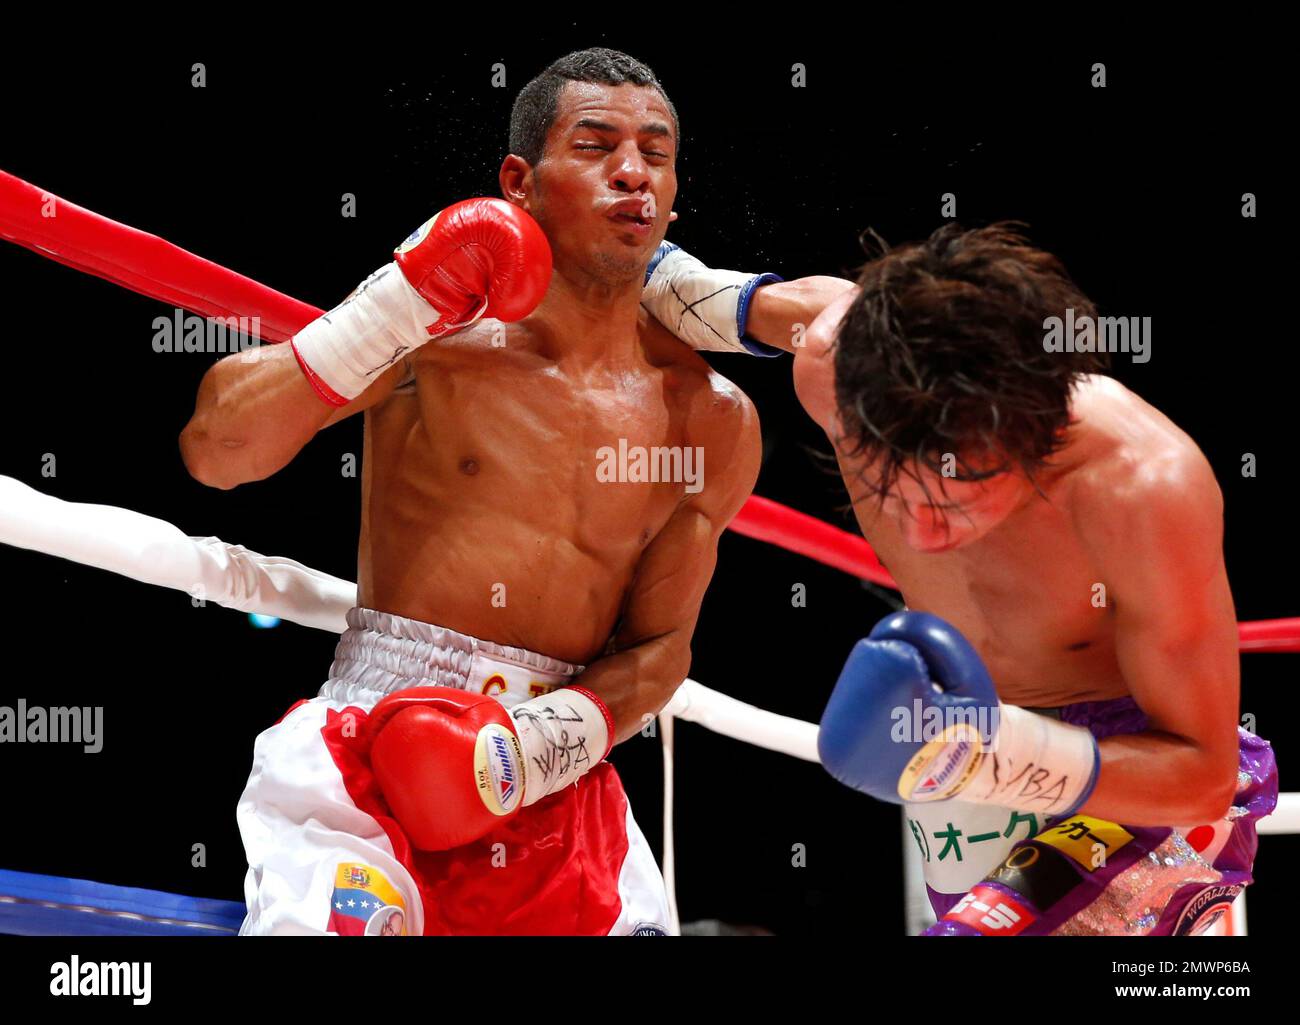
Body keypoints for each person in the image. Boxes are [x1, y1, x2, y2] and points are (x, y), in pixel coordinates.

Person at [179, 47, 789, 936]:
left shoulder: (712, 419)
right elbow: (218, 449)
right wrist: (398, 304)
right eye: (595, 144)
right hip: (376, 742)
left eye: (655, 154)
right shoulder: (438, 339)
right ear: (521, 181)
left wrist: (526, 754)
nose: (632, 172)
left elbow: (660, 653)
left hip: (560, 772)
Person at [788, 223, 1277, 935]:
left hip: (1145, 787)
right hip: (964, 770)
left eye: (955, 501)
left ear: (1037, 430)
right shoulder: (835, 371)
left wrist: (996, 751)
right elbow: (782, 305)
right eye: (891, 490)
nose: (920, 535)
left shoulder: (1142, 486)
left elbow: (1205, 777)